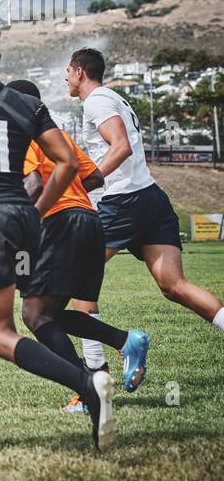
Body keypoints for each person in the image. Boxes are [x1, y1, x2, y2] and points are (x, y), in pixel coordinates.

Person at [0, 20, 115, 453]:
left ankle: (88, 384)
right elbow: (67, 162)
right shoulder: (26, 103)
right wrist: (37, 209)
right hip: (25, 221)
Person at [6, 79, 150, 416]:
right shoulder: (60, 137)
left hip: (60, 224)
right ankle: (124, 341)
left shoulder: (23, 135)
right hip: (88, 221)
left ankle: (87, 389)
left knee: (34, 314)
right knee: (50, 314)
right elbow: (96, 178)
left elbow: (31, 185)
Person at [65, 48, 224, 344]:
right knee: (173, 285)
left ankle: (96, 373)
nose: (66, 80)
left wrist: (84, 184)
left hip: (125, 200)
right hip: (149, 197)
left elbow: (121, 146)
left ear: (80, 72)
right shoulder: (114, 98)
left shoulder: (97, 100)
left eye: (68, 74)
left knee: (77, 278)